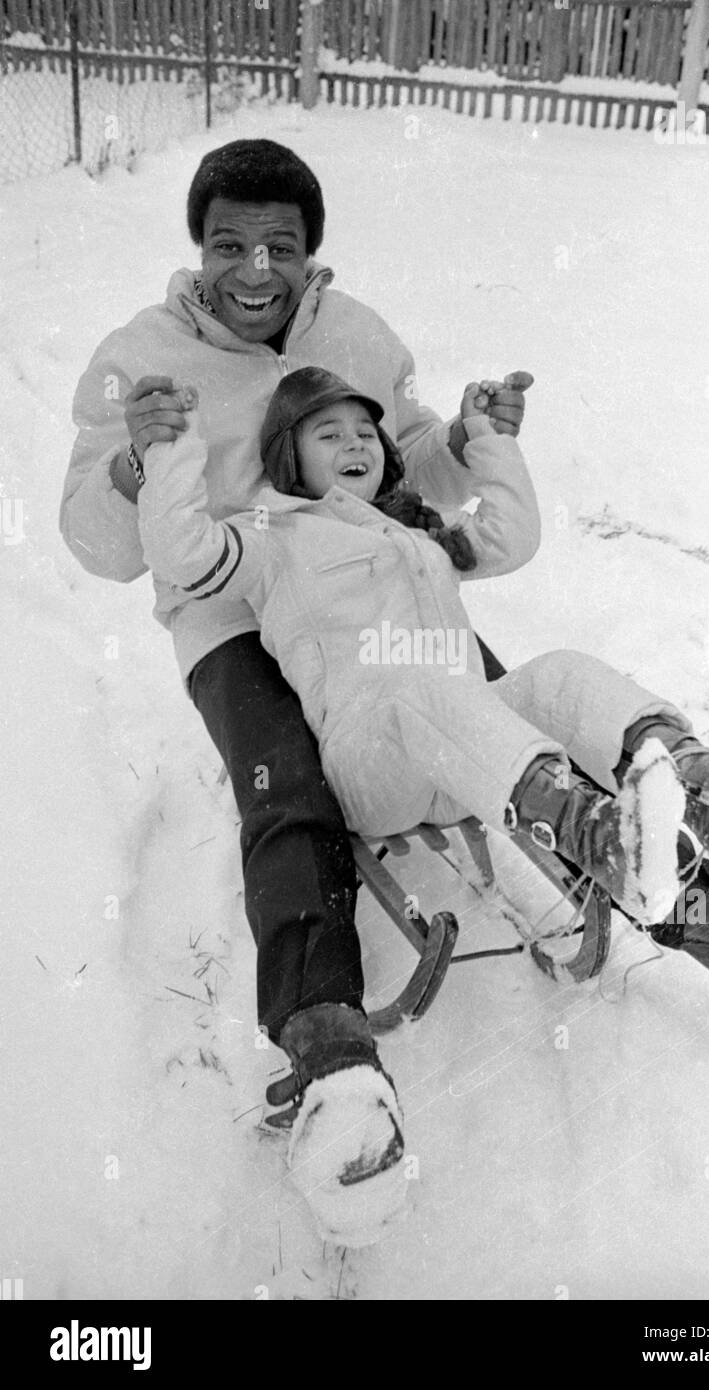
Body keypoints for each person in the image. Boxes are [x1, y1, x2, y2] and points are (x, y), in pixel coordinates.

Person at [136, 366, 709, 1245]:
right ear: (286, 457)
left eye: (362, 431)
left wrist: (487, 438)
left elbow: (511, 537)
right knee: (430, 683)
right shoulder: (269, 533)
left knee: (554, 674)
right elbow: (183, 556)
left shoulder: (413, 532)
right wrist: (170, 449)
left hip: (463, 732)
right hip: (371, 757)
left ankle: (708, 809)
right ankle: (596, 837)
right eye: (326, 433)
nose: (352, 443)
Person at [58, 139, 533, 1175]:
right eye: (229, 244)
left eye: (279, 245)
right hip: (227, 604)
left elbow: (413, 457)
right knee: (288, 784)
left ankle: (669, 852)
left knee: (498, 707)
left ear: (311, 252)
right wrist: (139, 458)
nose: (255, 270)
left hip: (364, 576)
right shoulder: (140, 356)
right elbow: (93, 544)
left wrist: (466, 433)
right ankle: (329, 1047)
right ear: (199, 248)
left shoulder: (352, 332)